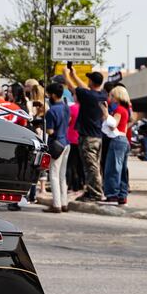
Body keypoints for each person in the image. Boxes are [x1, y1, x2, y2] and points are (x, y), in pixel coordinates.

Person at [63, 64, 108, 202]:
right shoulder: (101, 95)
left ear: (92, 82)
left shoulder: (89, 95)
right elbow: (84, 89)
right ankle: (91, 190)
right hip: (97, 137)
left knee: (91, 166)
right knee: (92, 165)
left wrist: (66, 75)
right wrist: (75, 75)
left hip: (88, 138)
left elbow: (74, 88)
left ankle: (95, 193)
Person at [102, 85, 133, 205]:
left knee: (112, 168)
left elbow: (113, 124)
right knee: (122, 169)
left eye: (112, 96)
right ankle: (122, 195)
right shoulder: (126, 109)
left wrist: (105, 112)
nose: (110, 98)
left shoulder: (119, 110)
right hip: (124, 139)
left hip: (116, 139)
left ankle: (112, 195)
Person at [43, 82, 70, 213]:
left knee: (53, 175)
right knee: (62, 176)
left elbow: (50, 131)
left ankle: (56, 204)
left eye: (48, 94)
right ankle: (64, 203)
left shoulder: (51, 111)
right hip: (66, 142)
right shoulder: (66, 107)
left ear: (53, 95)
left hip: (56, 145)